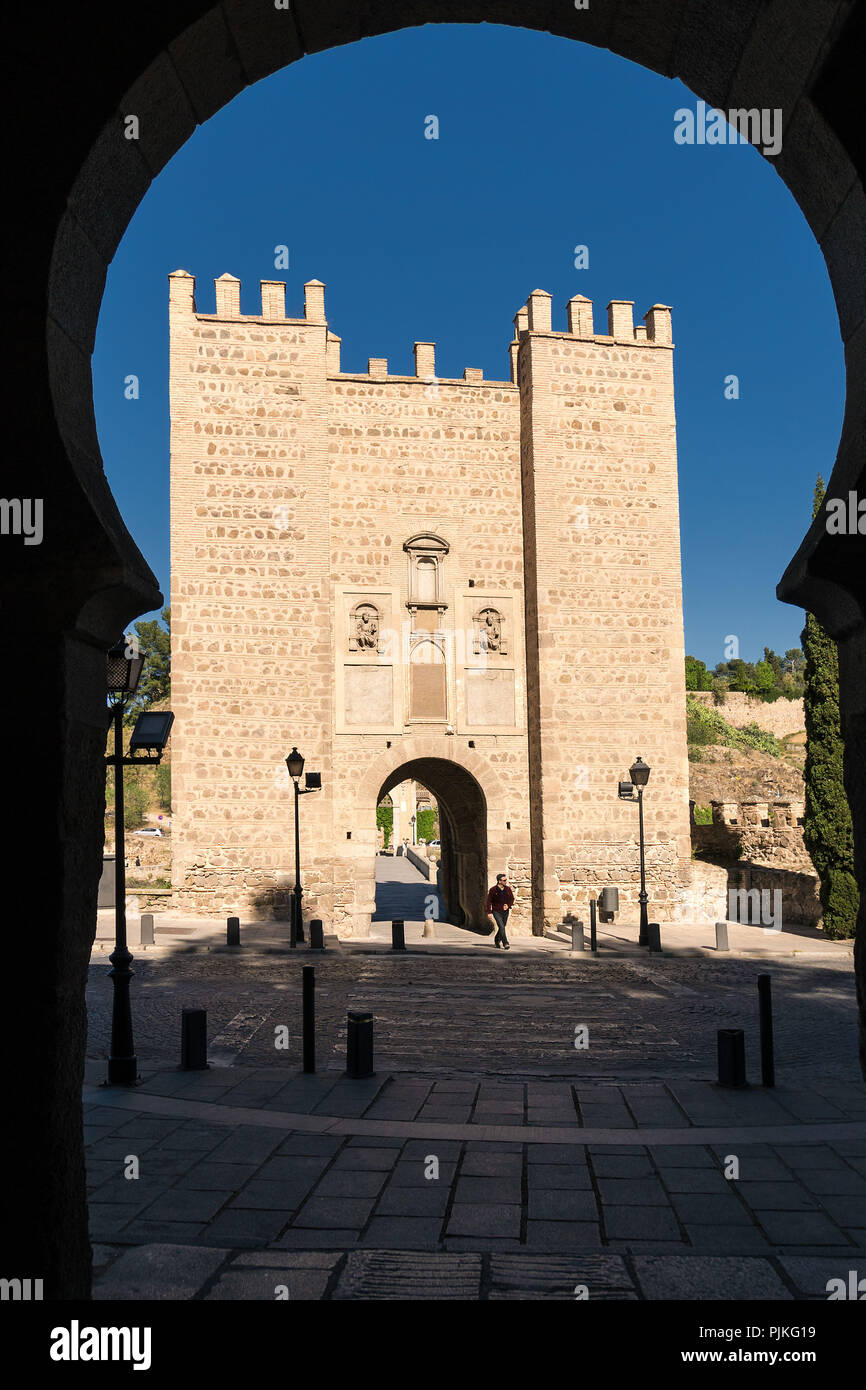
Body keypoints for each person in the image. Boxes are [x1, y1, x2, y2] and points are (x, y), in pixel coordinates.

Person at [486, 872, 515, 949]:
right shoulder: (493, 890)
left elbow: (512, 899)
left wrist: (508, 905)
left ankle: (497, 939)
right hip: (496, 911)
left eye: (506, 880)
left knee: (502, 926)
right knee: (501, 926)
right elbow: (489, 901)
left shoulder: (508, 889)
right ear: (499, 881)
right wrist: (489, 912)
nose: (506, 881)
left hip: (505, 911)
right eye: (504, 880)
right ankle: (505, 943)